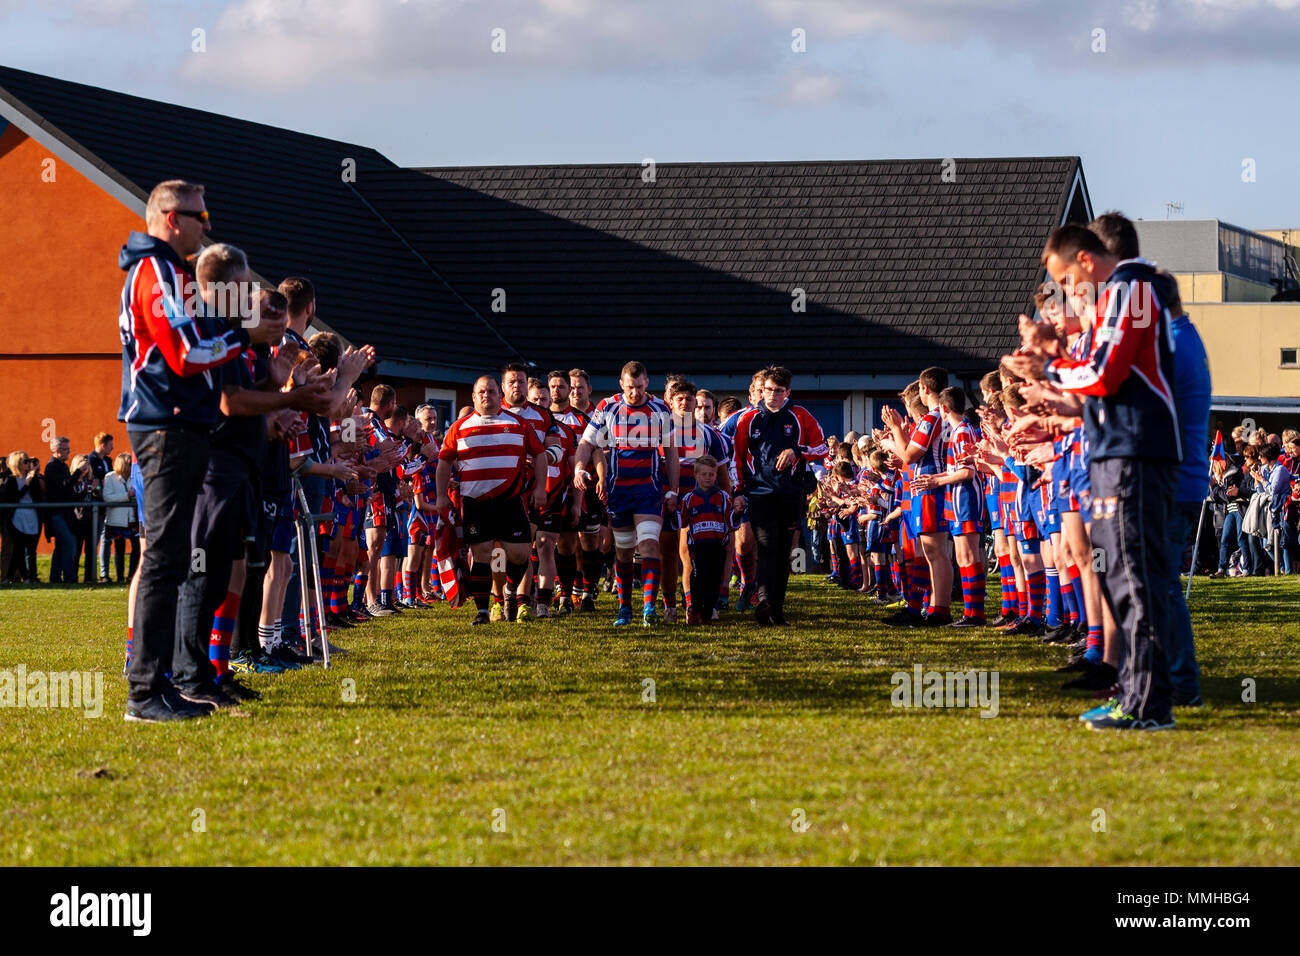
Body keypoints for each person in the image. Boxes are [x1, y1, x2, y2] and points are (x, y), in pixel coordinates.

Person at [1013, 223, 1181, 731]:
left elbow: (1103, 374)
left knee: (1133, 580)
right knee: (1119, 578)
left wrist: (1047, 370)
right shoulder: (1120, 293)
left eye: (1065, 279)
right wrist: (1050, 358)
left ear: (1086, 261)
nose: (1064, 293)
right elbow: (1095, 371)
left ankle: (1148, 704)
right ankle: (1134, 693)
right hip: (1118, 449)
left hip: (1136, 450)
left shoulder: (1131, 288)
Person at [118, 179, 264, 723]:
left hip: (178, 426)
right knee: (164, 558)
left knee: (175, 557)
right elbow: (184, 353)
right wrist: (241, 337)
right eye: (201, 215)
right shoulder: (154, 271)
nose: (208, 226)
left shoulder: (172, 272)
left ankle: (163, 686)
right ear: (171, 217)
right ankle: (145, 693)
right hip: (164, 426)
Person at [436, 375, 549, 626]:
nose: (487, 395)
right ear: (474, 397)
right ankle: (483, 611)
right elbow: (444, 461)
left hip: (510, 500)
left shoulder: (518, 424)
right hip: (476, 502)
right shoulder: (459, 427)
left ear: (501, 396)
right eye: (482, 392)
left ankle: (510, 589)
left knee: (519, 554)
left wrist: (541, 487)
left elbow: (540, 455)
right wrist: (442, 495)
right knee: (483, 553)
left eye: (491, 391)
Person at [575, 361, 680, 627]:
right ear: (621, 384)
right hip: (619, 490)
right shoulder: (607, 407)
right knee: (623, 552)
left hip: (649, 490)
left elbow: (671, 452)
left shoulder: (660, 409)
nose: (635, 392)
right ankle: (625, 608)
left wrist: (674, 490)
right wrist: (579, 467)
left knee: (649, 546)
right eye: (630, 387)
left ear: (647, 384)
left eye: (640, 387)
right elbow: (587, 442)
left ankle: (649, 608)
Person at [731, 365, 827, 625]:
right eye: (768, 390)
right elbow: (737, 458)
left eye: (778, 391)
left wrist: (797, 451)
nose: (772, 395)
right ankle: (763, 601)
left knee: (784, 552)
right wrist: (738, 490)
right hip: (760, 492)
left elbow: (823, 447)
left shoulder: (800, 415)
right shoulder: (749, 419)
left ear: (788, 392)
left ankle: (777, 609)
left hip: (791, 493)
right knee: (766, 546)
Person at [678, 455, 736, 624]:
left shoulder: (724, 497)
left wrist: (738, 512)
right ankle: (694, 608)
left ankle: (707, 612)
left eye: (711, 474)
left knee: (714, 578)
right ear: (696, 475)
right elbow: (682, 521)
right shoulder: (689, 499)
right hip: (698, 545)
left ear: (716, 475)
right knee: (698, 575)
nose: (707, 478)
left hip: (717, 544)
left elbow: (731, 520)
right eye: (703, 474)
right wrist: (671, 511)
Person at [1, 451, 42, 581]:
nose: (28, 464)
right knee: (18, 548)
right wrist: (26, 485)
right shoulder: (11, 480)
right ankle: (18, 576)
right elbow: (14, 499)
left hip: (32, 517)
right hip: (16, 518)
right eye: (25, 461)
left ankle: (31, 577)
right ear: (17, 463)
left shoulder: (32, 477)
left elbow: (37, 497)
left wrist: (34, 476)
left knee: (31, 549)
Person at [43, 436, 78, 583]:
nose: (69, 452)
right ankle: (70, 578)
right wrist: (78, 473)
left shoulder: (63, 466)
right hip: (56, 513)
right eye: (66, 449)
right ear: (57, 451)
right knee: (69, 543)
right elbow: (64, 486)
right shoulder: (52, 467)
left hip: (63, 513)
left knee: (61, 546)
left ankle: (55, 577)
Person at [101, 451, 138, 583]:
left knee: (137, 546)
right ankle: (120, 577)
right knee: (119, 548)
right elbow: (107, 497)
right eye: (129, 464)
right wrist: (127, 496)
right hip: (116, 520)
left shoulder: (134, 477)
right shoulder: (110, 477)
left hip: (132, 519)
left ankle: (131, 576)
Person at [88, 432, 114, 582]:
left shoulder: (108, 461)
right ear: (103, 445)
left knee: (107, 539)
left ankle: (104, 574)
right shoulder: (91, 460)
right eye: (110, 444)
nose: (113, 447)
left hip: (107, 505)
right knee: (95, 539)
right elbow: (94, 482)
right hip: (96, 505)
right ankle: (91, 574)